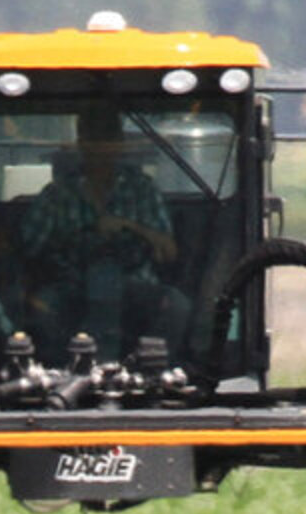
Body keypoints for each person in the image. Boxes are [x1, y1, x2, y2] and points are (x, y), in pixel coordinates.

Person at [13, 114, 183, 360]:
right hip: (71, 289)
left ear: (121, 142)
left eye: (108, 138)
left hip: (136, 288)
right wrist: (71, 238)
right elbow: (26, 248)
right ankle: (55, 373)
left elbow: (169, 250)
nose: (102, 147)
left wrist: (128, 226)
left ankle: (161, 370)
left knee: (177, 306)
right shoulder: (58, 194)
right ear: (81, 143)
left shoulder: (142, 189)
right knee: (41, 308)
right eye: (94, 138)